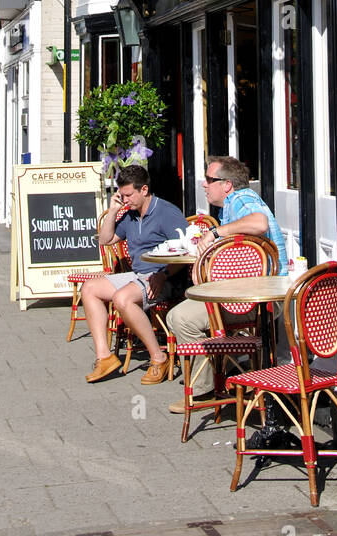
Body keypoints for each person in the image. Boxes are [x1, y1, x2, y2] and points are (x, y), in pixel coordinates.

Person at [165, 155, 288, 410]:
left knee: (180, 318)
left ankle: (205, 390)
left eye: (210, 180)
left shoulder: (241, 198)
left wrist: (214, 233)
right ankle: (224, 376)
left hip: (258, 300)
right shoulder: (229, 206)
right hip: (247, 295)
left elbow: (259, 222)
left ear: (227, 185)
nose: (204, 184)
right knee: (187, 307)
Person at [81, 164, 188, 385]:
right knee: (89, 288)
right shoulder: (130, 215)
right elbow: (105, 240)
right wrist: (113, 211)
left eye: (129, 195)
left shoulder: (167, 212)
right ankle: (105, 357)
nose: (126, 200)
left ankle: (158, 358)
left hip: (165, 278)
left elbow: (187, 250)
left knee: (122, 298)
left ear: (144, 190)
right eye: (123, 195)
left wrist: (164, 274)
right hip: (138, 275)